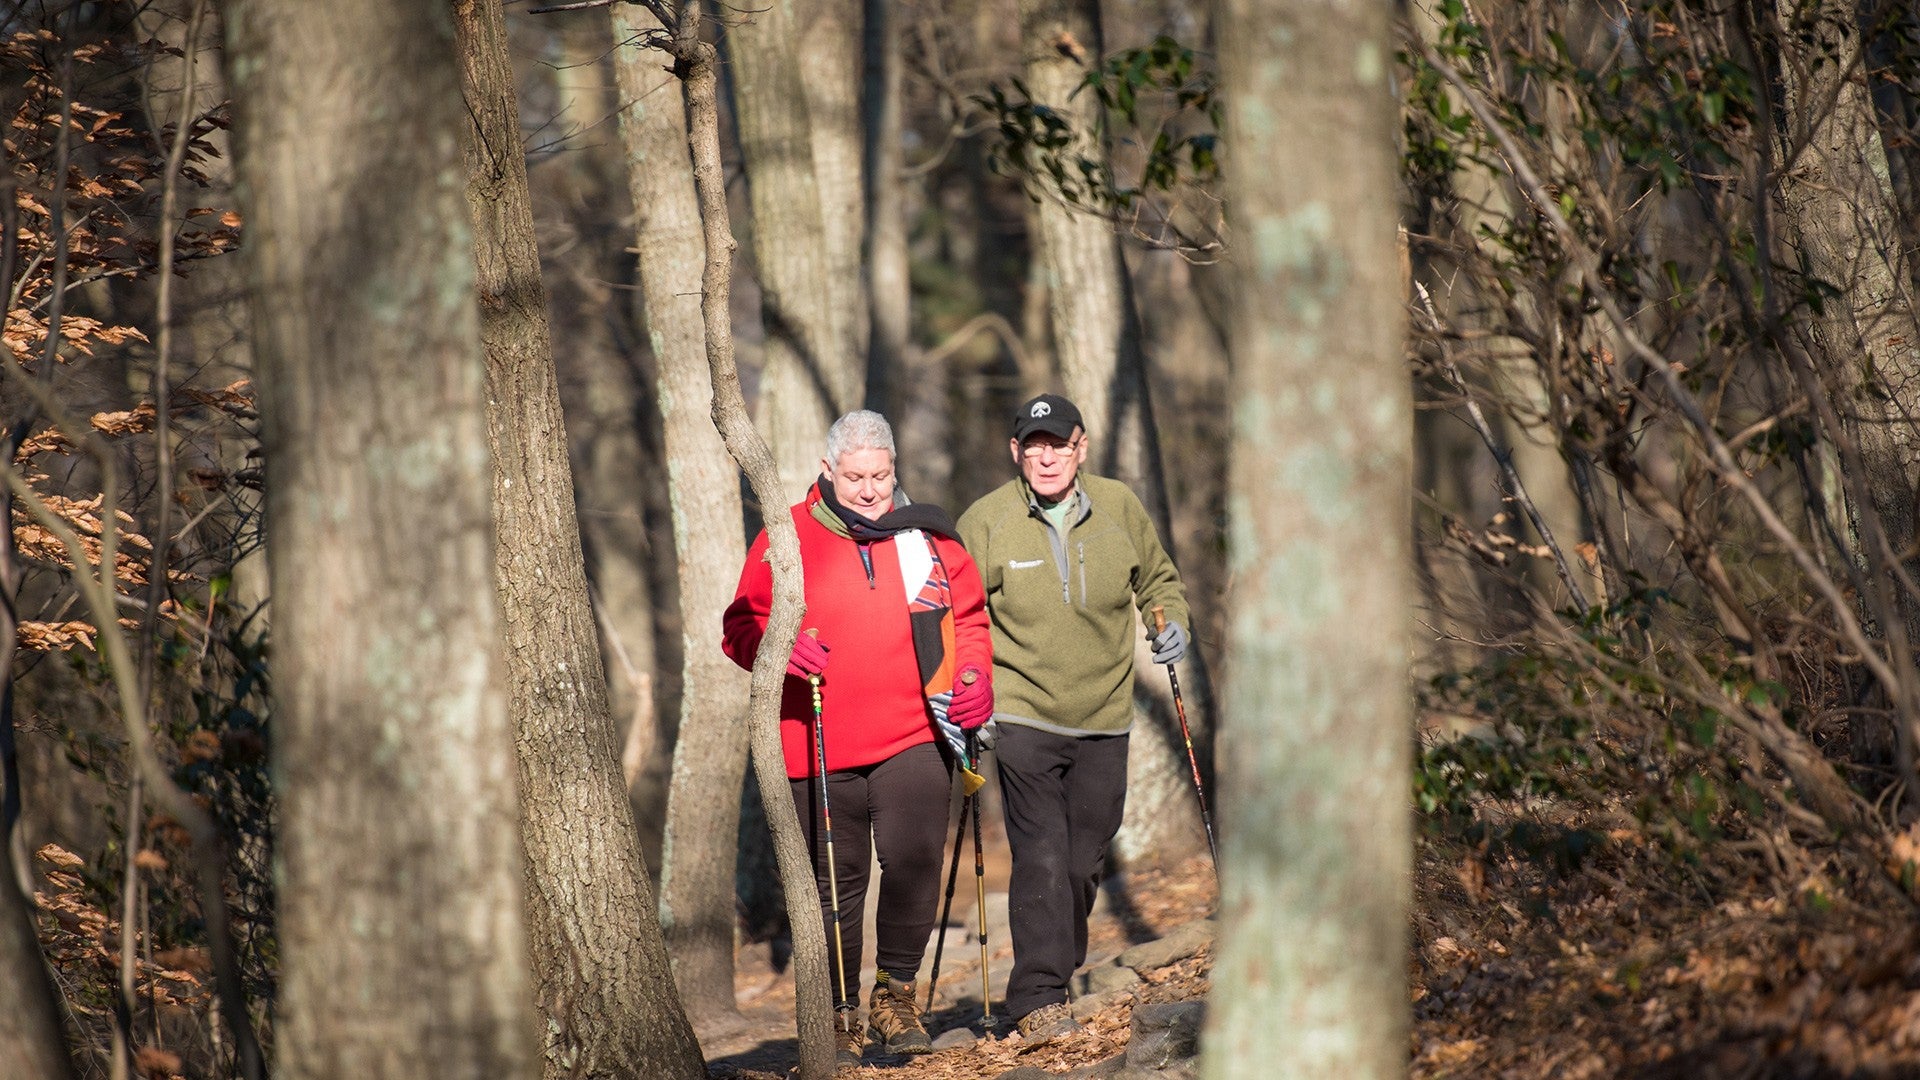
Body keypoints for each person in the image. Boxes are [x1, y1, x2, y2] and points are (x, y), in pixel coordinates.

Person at [722, 410, 994, 1067]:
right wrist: (779, 648)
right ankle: (838, 1014)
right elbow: (740, 626)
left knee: (914, 861)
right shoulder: (786, 534)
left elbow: (969, 619)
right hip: (815, 741)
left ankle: (894, 996)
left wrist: (973, 676)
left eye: (881, 475)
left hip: (914, 731)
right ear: (827, 470)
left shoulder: (927, 538)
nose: (870, 490)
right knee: (832, 888)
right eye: (855, 478)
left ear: (894, 469)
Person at [956, 393, 1190, 1045]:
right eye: (1034, 446)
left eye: (1058, 445)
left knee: (1084, 859)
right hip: (1023, 713)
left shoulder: (1119, 507)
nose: (1047, 457)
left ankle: (1056, 963)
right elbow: (958, 612)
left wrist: (1170, 624)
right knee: (1042, 855)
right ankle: (1037, 997)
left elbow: (1159, 583)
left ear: (1080, 448)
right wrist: (968, 688)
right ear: (1016, 452)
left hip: (1105, 716)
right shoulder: (987, 520)